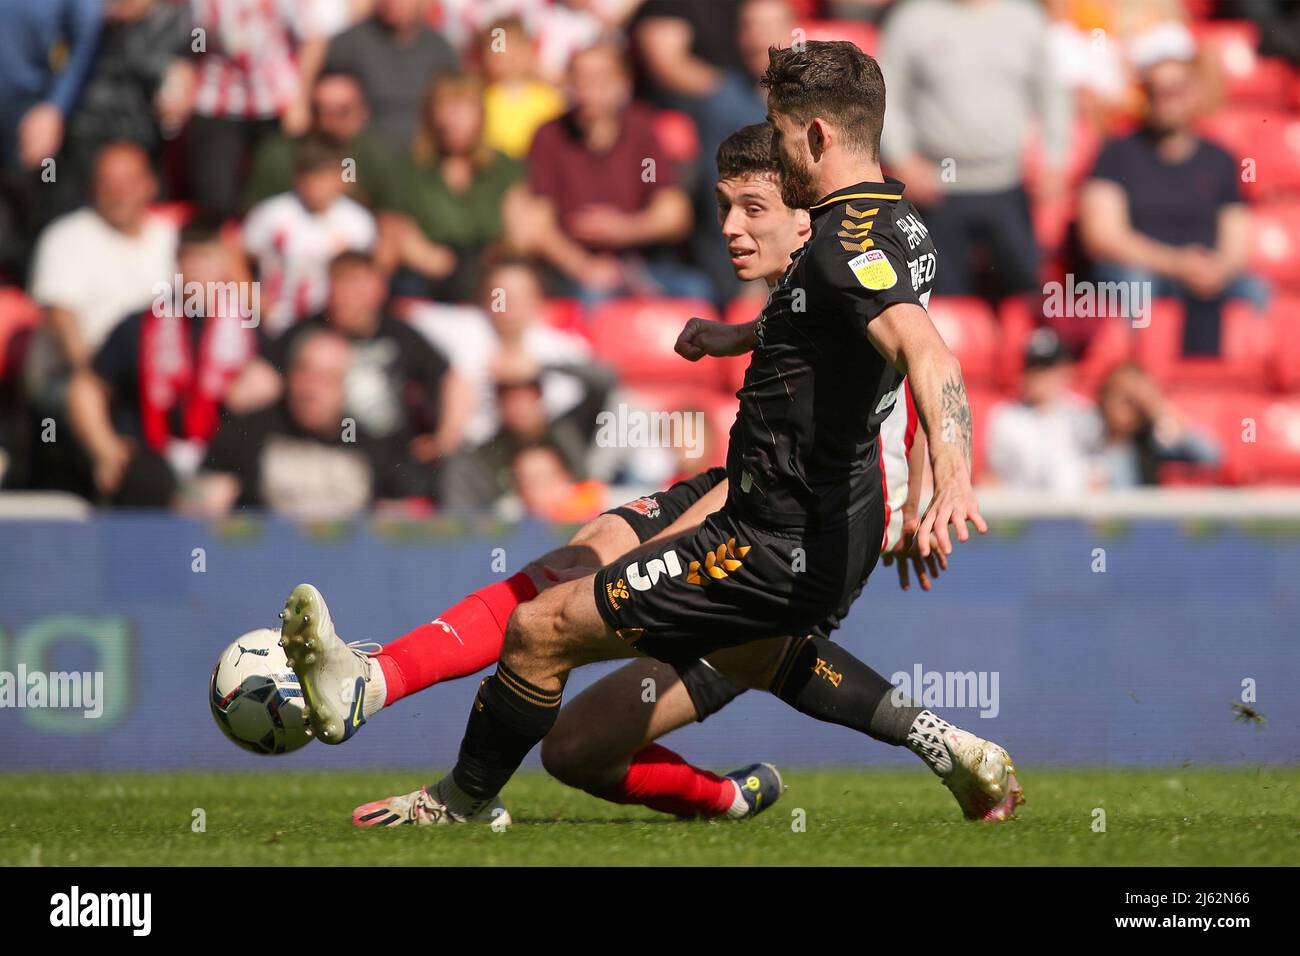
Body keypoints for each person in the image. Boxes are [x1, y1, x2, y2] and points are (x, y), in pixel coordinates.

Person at [278, 57, 1019, 828]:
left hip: (789, 518)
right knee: (588, 628)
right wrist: (736, 335)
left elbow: (926, 355)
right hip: (783, 496)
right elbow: (855, 340)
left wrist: (949, 484)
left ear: (818, 139)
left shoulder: (839, 246)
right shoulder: (894, 222)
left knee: (548, 628)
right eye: (726, 207)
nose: (731, 227)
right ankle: (379, 682)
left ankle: (458, 799)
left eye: (760, 192)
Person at [1078, 26, 1263, 356]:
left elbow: (1237, 236)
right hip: (1146, 271)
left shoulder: (1220, 158)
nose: (1166, 100)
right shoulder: (1116, 154)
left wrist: (1218, 268)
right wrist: (1177, 263)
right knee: (1134, 284)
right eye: (1156, 90)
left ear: (1194, 93)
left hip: (1203, 272)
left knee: (1254, 290)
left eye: (1176, 89)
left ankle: (1241, 386)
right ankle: (1138, 371)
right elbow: (1102, 236)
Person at [227, 250, 470, 497]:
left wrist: (445, 439)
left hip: (387, 464)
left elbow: (453, 379)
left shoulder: (399, 335)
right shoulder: (304, 334)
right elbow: (245, 393)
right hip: (317, 459)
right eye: (339, 282)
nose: (345, 295)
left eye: (355, 284)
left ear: (378, 288)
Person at [879, 0, 1071, 299]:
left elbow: (1052, 95)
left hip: (1010, 185)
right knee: (947, 302)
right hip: (936, 191)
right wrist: (902, 158)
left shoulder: (1025, 18)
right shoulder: (912, 18)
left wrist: (1055, 160)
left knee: (1025, 297)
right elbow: (886, 94)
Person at [67, 215, 257, 506]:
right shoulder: (140, 324)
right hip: (152, 468)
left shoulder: (250, 328)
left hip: (225, 468)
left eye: (206, 258)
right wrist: (105, 448)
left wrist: (270, 384)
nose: (196, 270)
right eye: (187, 259)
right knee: (139, 479)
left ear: (225, 265)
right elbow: (86, 387)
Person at [508, 39, 705, 302]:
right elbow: (535, 226)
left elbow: (674, 215)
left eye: (599, 79)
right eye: (579, 78)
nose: (588, 89)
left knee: (696, 290)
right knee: (594, 297)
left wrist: (625, 229)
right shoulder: (549, 136)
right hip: (571, 269)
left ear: (622, 84)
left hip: (637, 262)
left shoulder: (642, 129)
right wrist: (583, 267)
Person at [195, 328, 408, 518]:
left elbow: (406, 510)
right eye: (305, 372)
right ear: (289, 375)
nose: (311, 389)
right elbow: (196, 503)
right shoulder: (249, 432)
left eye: (327, 378)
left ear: (345, 386)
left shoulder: (364, 442)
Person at [383, 72, 525, 302]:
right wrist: (423, 254)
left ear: (480, 115)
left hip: (486, 274)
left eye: (463, 109)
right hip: (427, 273)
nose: (454, 119)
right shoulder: (410, 168)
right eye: (445, 108)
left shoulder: (502, 167)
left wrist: (504, 250)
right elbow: (393, 226)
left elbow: (518, 228)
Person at [242, 134, 377, 336]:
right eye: (312, 177)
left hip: (331, 327)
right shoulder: (271, 214)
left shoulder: (358, 223)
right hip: (277, 324)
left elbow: (366, 277)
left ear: (341, 179)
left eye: (325, 177)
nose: (318, 187)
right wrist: (257, 301)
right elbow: (235, 254)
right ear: (298, 178)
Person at [242, 70, 402, 212]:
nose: (327, 122)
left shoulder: (376, 158)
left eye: (342, 112)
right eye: (318, 110)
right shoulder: (279, 157)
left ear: (363, 113)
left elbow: (392, 217)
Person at [322, 0, 458, 153]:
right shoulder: (347, 46)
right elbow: (329, 101)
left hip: (424, 155)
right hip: (366, 152)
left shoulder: (440, 49)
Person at [985, 328, 1101, 494]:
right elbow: (992, 476)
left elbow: (1099, 475)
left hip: (1075, 513)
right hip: (1021, 513)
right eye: (1034, 368)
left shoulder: (1085, 414)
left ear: (1064, 370)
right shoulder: (1006, 416)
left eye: (1047, 368)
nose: (1040, 377)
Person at [1094, 362, 1220, 487]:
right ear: (1104, 397)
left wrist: (1156, 408)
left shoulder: (1149, 441)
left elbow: (1209, 455)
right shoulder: (1087, 438)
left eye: (1135, 403)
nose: (1131, 409)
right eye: (1124, 399)